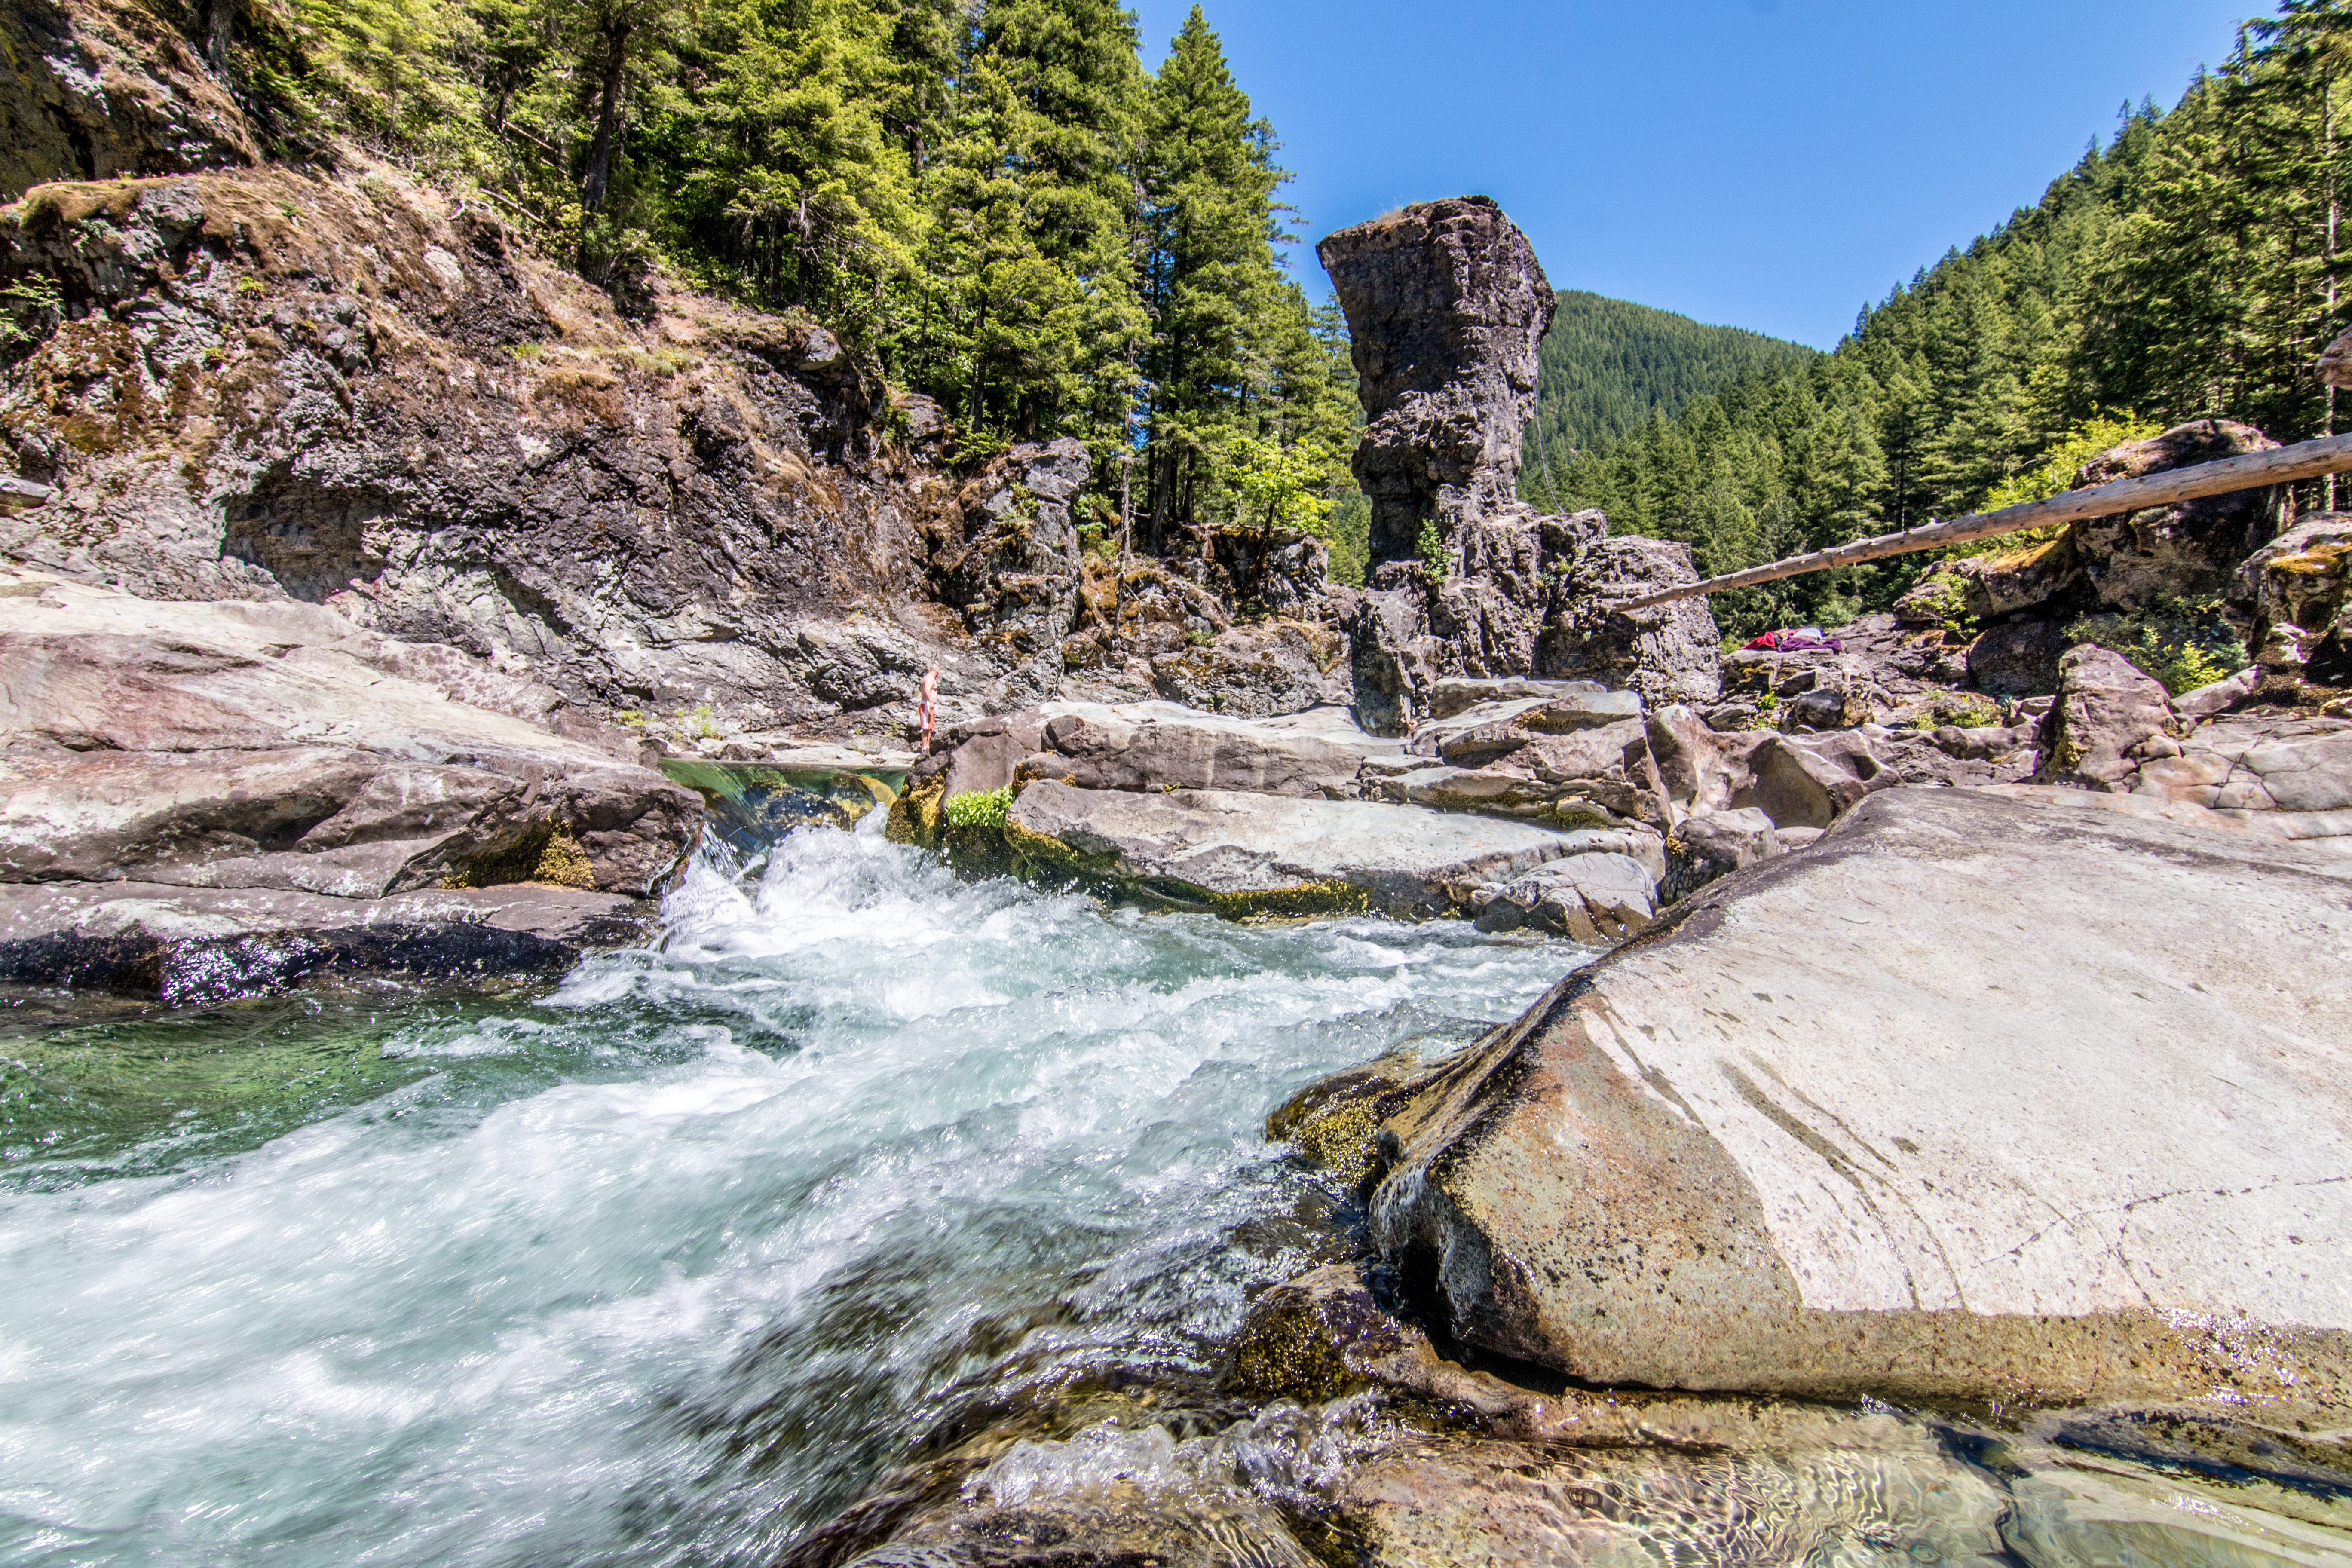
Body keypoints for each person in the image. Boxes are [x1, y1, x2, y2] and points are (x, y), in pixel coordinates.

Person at [917, 666, 938, 751]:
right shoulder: (930, 678)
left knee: (929, 726)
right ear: (937, 672)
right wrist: (931, 702)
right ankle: (925, 746)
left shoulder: (926, 677)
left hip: (927, 704)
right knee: (926, 727)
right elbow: (927, 689)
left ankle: (927, 746)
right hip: (927, 704)